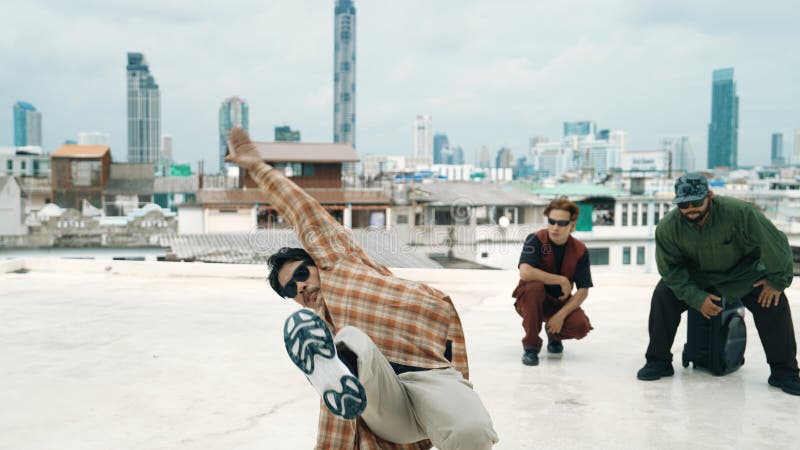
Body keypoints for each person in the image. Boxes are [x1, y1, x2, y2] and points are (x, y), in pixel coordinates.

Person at [226, 128, 499, 449]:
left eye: (301, 273)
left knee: (473, 430)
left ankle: (349, 366)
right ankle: (345, 367)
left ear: (315, 261)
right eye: (290, 289)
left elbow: (302, 209)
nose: (300, 286)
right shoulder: (321, 333)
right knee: (351, 340)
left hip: (431, 376)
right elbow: (335, 417)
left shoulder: (341, 262)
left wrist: (257, 167)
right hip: (383, 399)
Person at [637, 172, 800, 396]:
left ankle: (784, 371)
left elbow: (775, 243)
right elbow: (670, 270)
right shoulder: (668, 227)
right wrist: (696, 297)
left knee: (773, 301)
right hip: (699, 276)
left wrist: (777, 280)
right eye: (684, 204)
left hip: (743, 273)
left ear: (710, 196)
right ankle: (658, 360)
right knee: (663, 294)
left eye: (696, 202)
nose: (690, 209)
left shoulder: (741, 212)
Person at [513, 196, 594, 366]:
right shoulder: (535, 239)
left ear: (572, 224)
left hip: (559, 303)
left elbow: (583, 290)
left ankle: (553, 334)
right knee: (534, 288)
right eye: (552, 221)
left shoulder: (580, 250)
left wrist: (560, 316)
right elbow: (525, 272)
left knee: (581, 326)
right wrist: (562, 280)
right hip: (530, 301)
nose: (555, 227)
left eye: (562, 223)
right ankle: (531, 347)